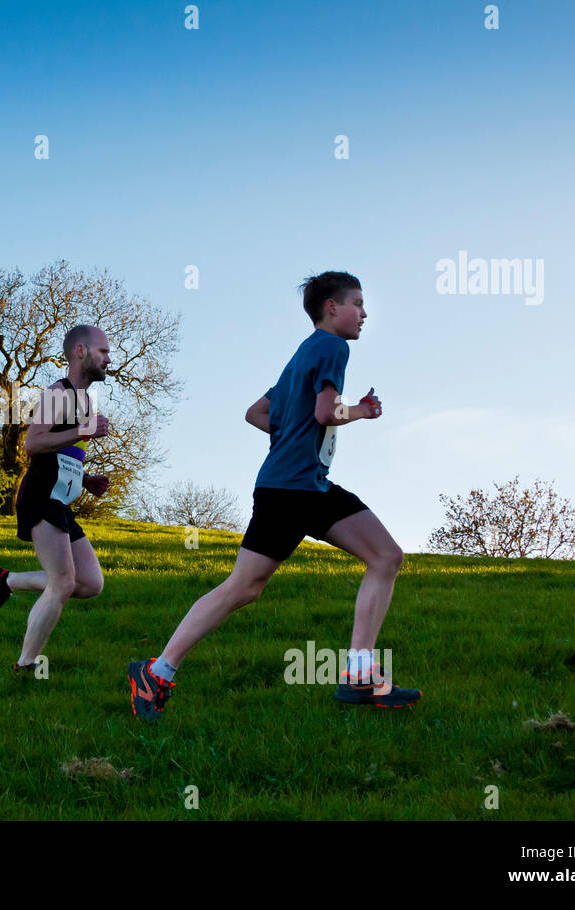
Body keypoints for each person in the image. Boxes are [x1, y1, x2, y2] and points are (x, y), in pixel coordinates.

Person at [128, 271, 421, 719]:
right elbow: (326, 412)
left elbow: (256, 412)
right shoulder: (332, 346)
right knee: (245, 587)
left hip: (304, 486)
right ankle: (156, 671)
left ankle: (360, 675)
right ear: (332, 308)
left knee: (383, 556)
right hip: (292, 490)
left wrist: (291, 438)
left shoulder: (300, 356)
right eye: (358, 304)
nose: (364, 314)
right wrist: (362, 411)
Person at [0, 325, 112, 673]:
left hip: (59, 500)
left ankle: (6, 582)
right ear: (81, 351)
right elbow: (33, 444)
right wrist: (84, 430)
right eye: (103, 351)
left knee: (90, 583)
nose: (108, 359)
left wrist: (86, 479)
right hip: (40, 496)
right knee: (63, 584)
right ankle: (25, 664)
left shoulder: (85, 401)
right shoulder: (59, 393)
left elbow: (62, 455)